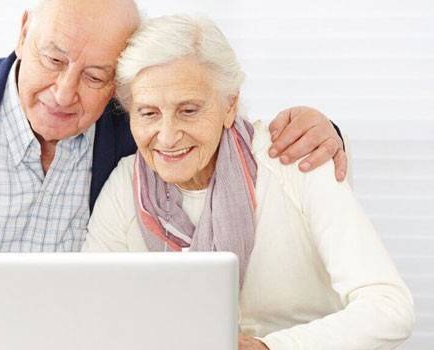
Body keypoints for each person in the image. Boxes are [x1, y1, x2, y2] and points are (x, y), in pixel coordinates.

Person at [0, 1, 348, 349]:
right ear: (23, 32)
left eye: (96, 76)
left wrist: (322, 129)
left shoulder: (129, 127)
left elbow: (207, 123)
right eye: (53, 59)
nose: (65, 94)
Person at [82, 14, 414, 350]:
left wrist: (268, 348)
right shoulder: (126, 185)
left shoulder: (294, 158)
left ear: (230, 105)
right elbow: (91, 314)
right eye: (148, 113)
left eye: (189, 110)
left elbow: (388, 306)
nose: (167, 137)